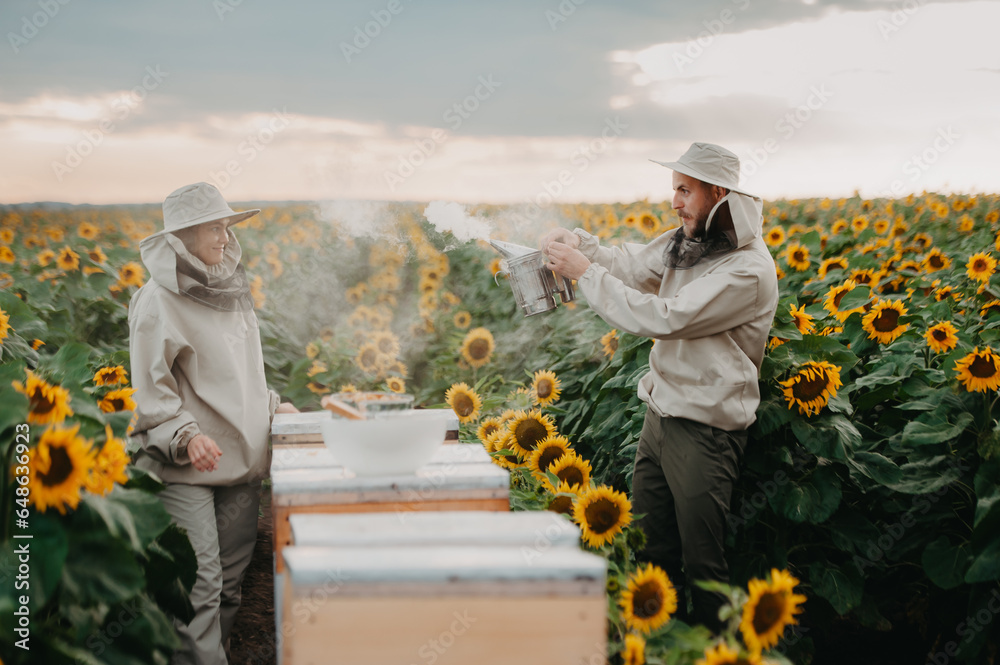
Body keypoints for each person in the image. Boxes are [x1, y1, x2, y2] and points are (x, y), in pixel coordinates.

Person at [541, 142, 779, 630]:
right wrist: (581, 246)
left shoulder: (747, 269)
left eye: (685, 190)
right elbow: (630, 265)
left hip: (705, 431)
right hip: (660, 417)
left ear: (718, 192)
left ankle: (717, 653)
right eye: (674, 189)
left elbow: (666, 318)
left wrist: (585, 275)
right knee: (651, 557)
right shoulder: (692, 239)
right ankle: (656, 648)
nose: (675, 201)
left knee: (704, 568)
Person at [128, 181, 298, 664]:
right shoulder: (156, 302)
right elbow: (149, 389)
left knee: (229, 583)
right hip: (187, 463)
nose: (225, 237)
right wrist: (184, 436)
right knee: (200, 588)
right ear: (183, 235)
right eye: (215, 227)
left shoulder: (230, 287)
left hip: (240, 457)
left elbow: (244, 372)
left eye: (227, 226)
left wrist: (273, 407)